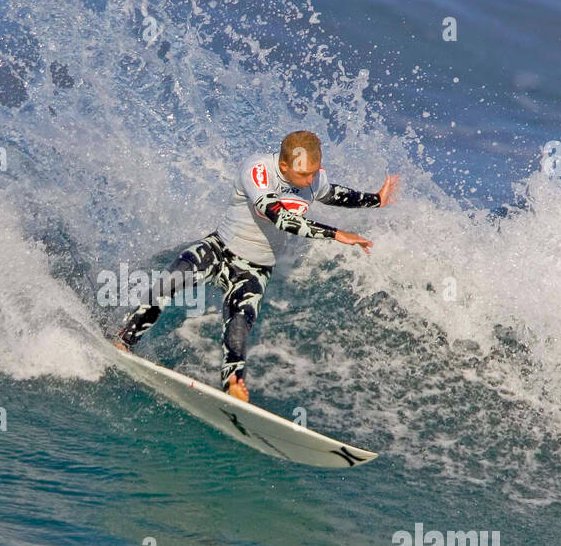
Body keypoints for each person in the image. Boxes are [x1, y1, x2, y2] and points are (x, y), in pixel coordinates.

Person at [113, 130, 399, 401]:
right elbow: (278, 216)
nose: (310, 179)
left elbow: (334, 194)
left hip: (256, 268)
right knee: (170, 281)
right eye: (303, 173)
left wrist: (376, 200)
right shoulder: (258, 170)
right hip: (219, 249)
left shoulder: (313, 179)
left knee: (239, 325)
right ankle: (124, 341)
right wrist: (335, 234)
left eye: (314, 172)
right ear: (283, 164)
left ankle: (233, 384)